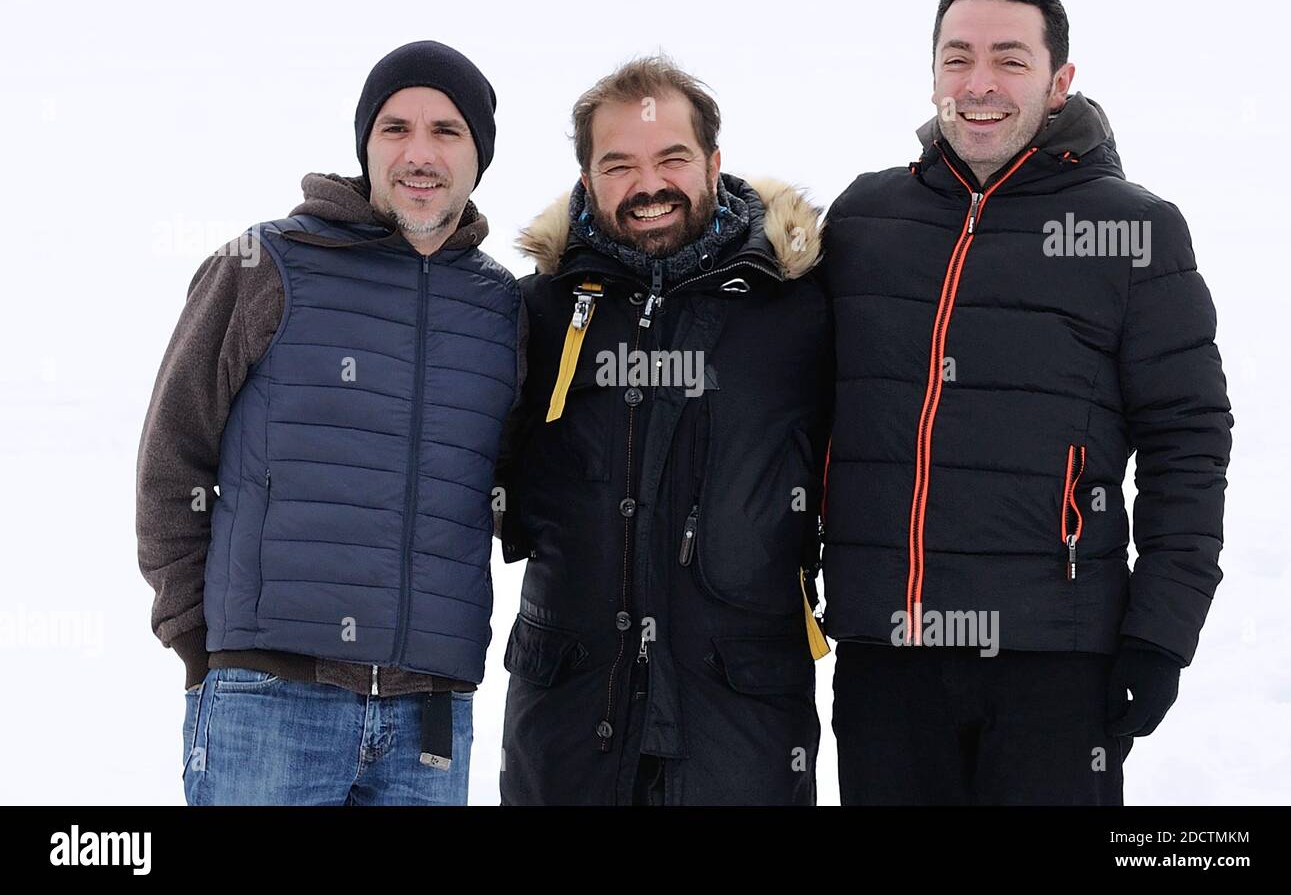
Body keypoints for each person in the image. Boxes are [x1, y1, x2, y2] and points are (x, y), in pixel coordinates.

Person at [820, 0, 1232, 804]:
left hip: (1057, 658)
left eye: (1010, 59)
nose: (979, 84)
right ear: (932, 71)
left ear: (1059, 81)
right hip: (886, 653)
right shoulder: (862, 222)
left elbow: (1188, 439)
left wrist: (1162, 632)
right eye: (957, 57)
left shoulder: (1130, 231)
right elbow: (794, 409)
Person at [136, 40, 524, 805]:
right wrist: (199, 642)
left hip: (432, 720)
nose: (420, 153)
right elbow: (171, 460)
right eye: (396, 128)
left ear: (479, 155)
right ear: (364, 145)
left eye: (447, 131)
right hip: (270, 705)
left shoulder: (502, 308)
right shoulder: (264, 266)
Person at [496, 56, 832, 804]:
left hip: (742, 724)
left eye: (672, 158)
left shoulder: (801, 310)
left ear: (714, 163)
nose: (649, 186)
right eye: (618, 165)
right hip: (567, 725)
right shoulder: (536, 312)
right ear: (586, 182)